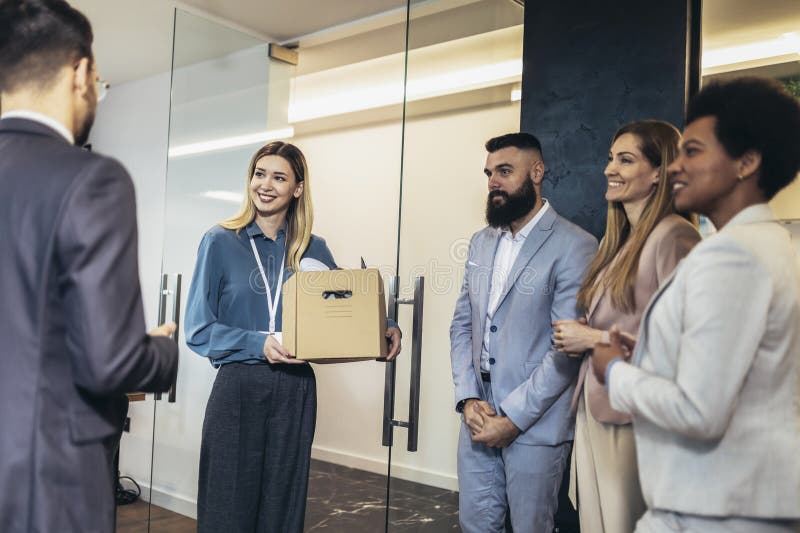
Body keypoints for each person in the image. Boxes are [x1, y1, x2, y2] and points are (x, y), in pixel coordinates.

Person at [0, 1, 179, 532]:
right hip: (45, 480)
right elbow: (111, 362)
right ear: (80, 74)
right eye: (98, 80)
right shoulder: (92, 179)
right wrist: (163, 347)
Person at [593, 77, 800, 533]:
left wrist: (614, 370)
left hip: (717, 506)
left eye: (693, 151)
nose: (675, 167)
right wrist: (647, 353)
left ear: (746, 163)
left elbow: (698, 411)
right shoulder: (767, 243)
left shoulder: (731, 254)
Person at [184, 140, 402, 533]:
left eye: (279, 177)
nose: (265, 185)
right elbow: (199, 329)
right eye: (259, 174)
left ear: (297, 188)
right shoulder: (219, 241)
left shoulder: (314, 249)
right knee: (227, 504)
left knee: (282, 510)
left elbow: (337, 321)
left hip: (295, 391)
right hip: (239, 386)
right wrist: (258, 344)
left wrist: (380, 332)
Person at [553, 120, 700, 532]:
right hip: (596, 406)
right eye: (610, 159)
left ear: (659, 172)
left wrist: (592, 337)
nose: (609, 169)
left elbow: (687, 340)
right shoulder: (616, 242)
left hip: (636, 416)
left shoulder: (675, 236)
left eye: (625, 159)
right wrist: (588, 328)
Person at [449, 132, 597, 532]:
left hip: (536, 420)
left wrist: (512, 418)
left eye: (504, 171)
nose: (494, 181)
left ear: (536, 171)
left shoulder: (576, 245)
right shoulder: (481, 243)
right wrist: (466, 399)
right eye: (489, 173)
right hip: (478, 414)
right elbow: (462, 325)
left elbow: (566, 348)